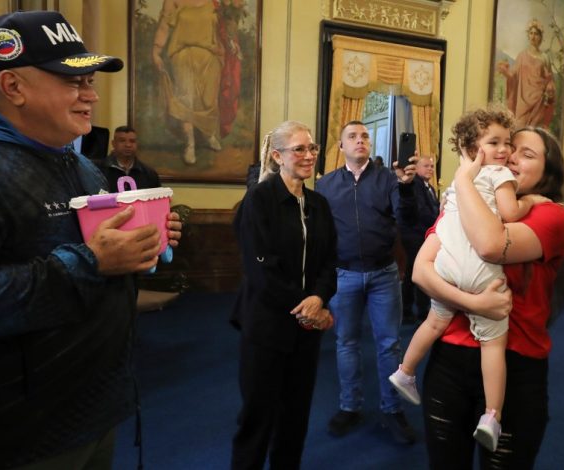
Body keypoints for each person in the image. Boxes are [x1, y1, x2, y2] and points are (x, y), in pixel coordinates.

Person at [0, 11, 182, 469]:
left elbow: (98, 256)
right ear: (13, 86)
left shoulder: (80, 164)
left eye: (90, 81)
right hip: (21, 433)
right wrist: (92, 262)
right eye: (73, 80)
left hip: (95, 407)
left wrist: (141, 245)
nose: (92, 96)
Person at [412, 126, 564, 469]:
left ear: (549, 170)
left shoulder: (550, 213)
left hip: (517, 366)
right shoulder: (468, 202)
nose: (511, 157)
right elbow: (420, 271)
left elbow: (490, 245)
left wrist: (465, 180)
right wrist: (472, 304)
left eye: (527, 155)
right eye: (509, 148)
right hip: (450, 360)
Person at [390, 108, 546, 452]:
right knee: (493, 343)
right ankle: (492, 414)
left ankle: (405, 371)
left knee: (434, 321)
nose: (505, 150)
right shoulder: (499, 175)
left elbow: (442, 230)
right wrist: (529, 200)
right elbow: (508, 214)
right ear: (473, 148)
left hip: (446, 261)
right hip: (478, 266)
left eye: (508, 142)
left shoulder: (457, 183)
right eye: (495, 142)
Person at [230, 121, 337, 469]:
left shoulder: (319, 204)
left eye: (312, 148)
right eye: (299, 149)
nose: (309, 156)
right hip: (267, 326)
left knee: (295, 419)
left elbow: (330, 262)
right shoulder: (258, 201)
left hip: (305, 331)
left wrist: (319, 299)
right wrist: (307, 308)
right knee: (258, 418)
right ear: (277, 156)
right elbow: (261, 271)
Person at [315, 120, 419, 445]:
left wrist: (406, 186)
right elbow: (319, 233)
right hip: (343, 274)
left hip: (383, 274)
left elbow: (409, 218)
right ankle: (350, 406)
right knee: (346, 343)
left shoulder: (389, 179)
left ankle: (392, 409)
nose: (360, 140)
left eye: (364, 136)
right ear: (341, 147)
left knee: (389, 344)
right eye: (352, 137)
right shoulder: (325, 185)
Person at [152, 0, 244, 165]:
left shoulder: (217, 2)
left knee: (209, 101)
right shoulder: (173, 2)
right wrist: (156, 51)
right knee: (186, 100)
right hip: (182, 56)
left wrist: (232, 43)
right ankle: (190, 143)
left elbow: (226, 27)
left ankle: (208, 134)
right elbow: (164, 26)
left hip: (211, 57)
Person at [398, 154, 440, 323]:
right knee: (411, 274)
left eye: (432, 166)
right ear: (416, 168)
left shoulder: (428, 186)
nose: (430, 169)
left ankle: (420, 308)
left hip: (423, 235)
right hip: (414, 235)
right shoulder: (414, 184)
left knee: (420, 272)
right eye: (427, 166)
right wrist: (439, 219)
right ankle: (408, 311)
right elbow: (422, 213)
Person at [497, 19, 555, 129]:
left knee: (535, 132)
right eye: (531, 33)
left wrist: (549, 88)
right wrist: (505, 71)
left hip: (538, 101)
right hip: (522, 101)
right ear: (528, 35)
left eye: (536, 34)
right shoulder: (522, 56)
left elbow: (549, 79)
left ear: (540, 37)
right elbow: (513, 75)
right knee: (519, 129)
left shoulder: (544, 58)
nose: (533, 37)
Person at [98, 125, 162, 192]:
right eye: (122, 141)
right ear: (113, 143)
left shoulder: (149, 174)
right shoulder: (99, 171)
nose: (128, 145)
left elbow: (159, 199)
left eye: (132, 141)